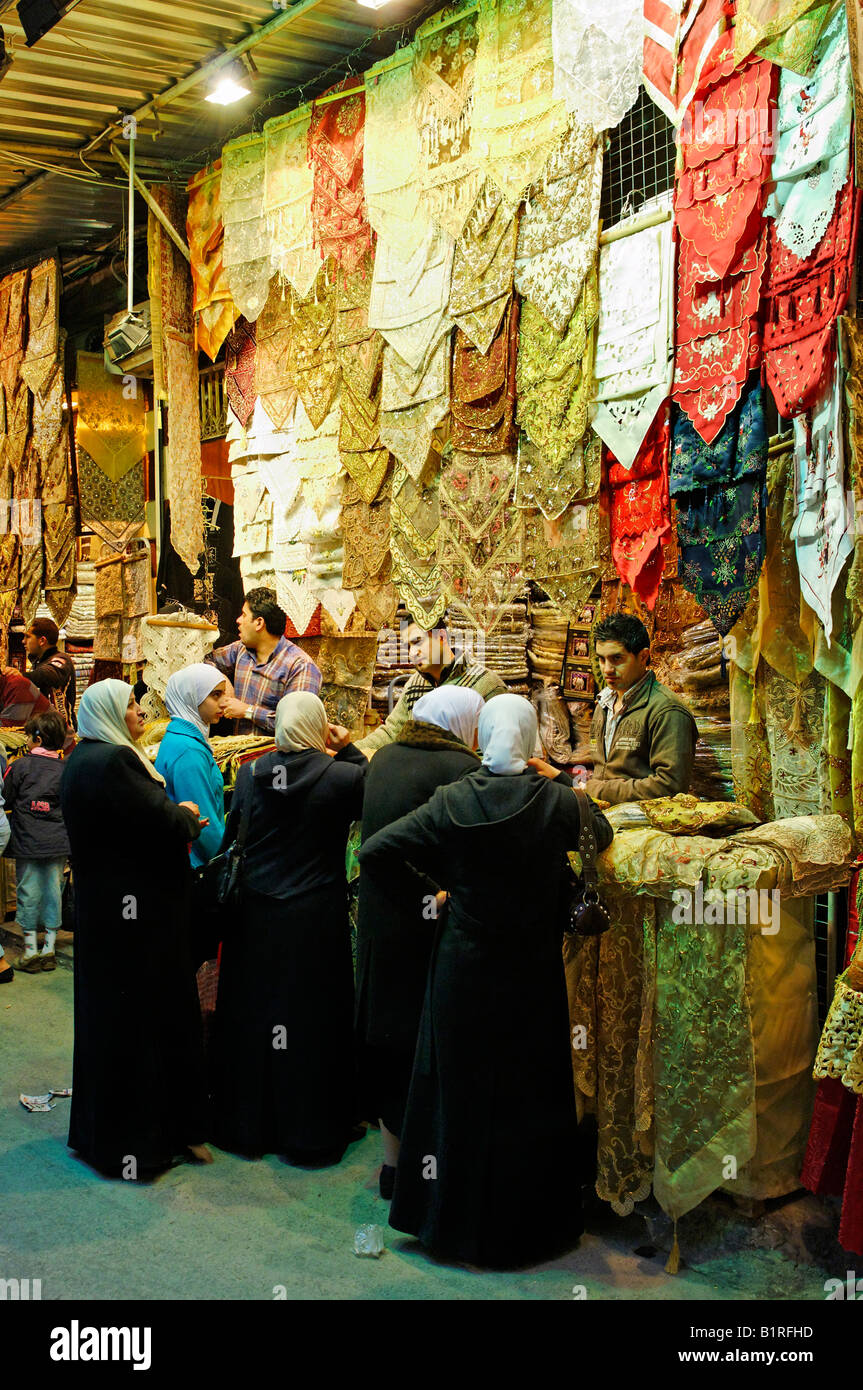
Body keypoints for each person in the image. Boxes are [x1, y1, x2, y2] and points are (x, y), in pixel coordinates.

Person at [358, 694, 613, 1267]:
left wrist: (433, 900)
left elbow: (377, 852)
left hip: (461, 968)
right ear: (528, 738)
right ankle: (527, 1229)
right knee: (528, 1091)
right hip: (529, 970)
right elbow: (601, 833)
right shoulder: (554, 803)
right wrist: (558, 780)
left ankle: (446, 1222)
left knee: (459, 1093)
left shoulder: (452, 801)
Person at [60, 680, 212, 1175]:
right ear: (108, 712)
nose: (138, 710)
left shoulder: (84, 758)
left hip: (109, 918)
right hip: (140, 924)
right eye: (128, 704)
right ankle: (142, 1142)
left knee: (112, 1021)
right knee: (146, 1020)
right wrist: (187, 815)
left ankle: (100, 1135)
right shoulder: (114, 762)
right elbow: (160, 822)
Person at [212, 692, 367, 1166]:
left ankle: (248, 1125)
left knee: (254, 1018)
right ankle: (309, 1130)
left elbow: (231, 834)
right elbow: (375, 793)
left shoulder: (252, 773)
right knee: (310, 1022)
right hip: (312, 920)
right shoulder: (343, 777)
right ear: (320, 726)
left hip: (255, 917)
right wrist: (350, 747)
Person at [355, 686, 484, 1199]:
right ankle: (431, 1176)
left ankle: (392, 1167)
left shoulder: (385, 756)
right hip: (431, 927)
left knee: (391, 1044)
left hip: (382, 925)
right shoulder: (460, 771)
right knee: (429, 1048)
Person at [585, 613, 699, 804]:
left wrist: (598, 789)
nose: (607, 669)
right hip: (604, 817)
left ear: (643, 656)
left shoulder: (667, 711)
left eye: (617, 658)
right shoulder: (604, 704)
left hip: (644, 826)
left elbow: (670, 785)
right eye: (602, 659)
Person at [357, 613, 506, 755]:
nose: (412, 653)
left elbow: (498, 746)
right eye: (408, 647)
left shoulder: (485, 684)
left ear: (441, 637)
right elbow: (392, 732)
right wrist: (348, 751)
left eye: (417, 642)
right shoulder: (414, 684)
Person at [3, 709, 70, 974]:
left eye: (29, 736)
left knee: (28, 890)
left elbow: (6, 797)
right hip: (57, 843)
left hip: (28, 843)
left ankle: (31, 951)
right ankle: (50, 949)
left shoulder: (19, 766)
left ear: (38, 740)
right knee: (54, 889)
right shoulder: (66, 769)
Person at [206, 587, 321, 736]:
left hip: (277, 757)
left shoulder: (300, 666)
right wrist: (221, 679)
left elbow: (298, 725)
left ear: (259, 623)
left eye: (244, 615)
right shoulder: (240, 650)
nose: (238, 620)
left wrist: (248, 711)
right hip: (239, 754)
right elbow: (205, 659)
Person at [155, 665, 229, 868]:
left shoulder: (184, 739)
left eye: (223, 694)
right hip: (194, 863)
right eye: (215, 695)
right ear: (191, 697)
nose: (224, 703)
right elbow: (204, 823)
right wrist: (226, 863)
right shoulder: (189, 751)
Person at [24, 617, 77, 730]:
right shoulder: (39, 662)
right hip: (46, 728)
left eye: (28, 637)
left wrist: (16, 676)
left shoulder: (61, 659)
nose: (23, 641)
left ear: (42, 640)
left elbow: (47, 675)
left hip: (62, 730)